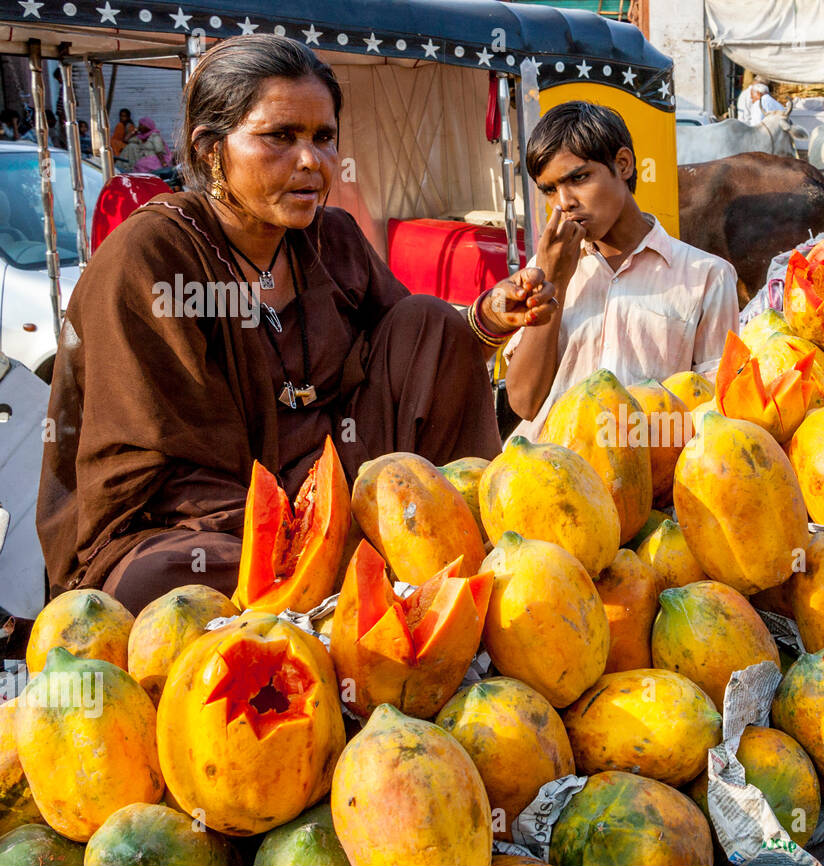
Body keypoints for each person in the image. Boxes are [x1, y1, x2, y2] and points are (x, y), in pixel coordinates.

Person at [38, 34, 557, 612]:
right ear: (212, 151)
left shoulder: (331, 238)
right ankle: (368, 566)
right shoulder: (151, 258)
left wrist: (484, 319)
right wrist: (297, 536)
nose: (312, 161)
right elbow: (169, 462)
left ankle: (415, 542)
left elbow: (415, 358)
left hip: (341, 484)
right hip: (205, 525)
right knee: (162, 588)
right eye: (280, 137)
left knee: (428, 320)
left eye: (324, 138)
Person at [504, 100, 738, 439]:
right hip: (548, 473)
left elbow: (713, 414)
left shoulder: (706, 277)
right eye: (550, 190)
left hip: (649, 472)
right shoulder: (544, 272)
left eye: (579, 178)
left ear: (623, 164)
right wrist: (553, 285)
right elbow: (524, 403)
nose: (563, 202)